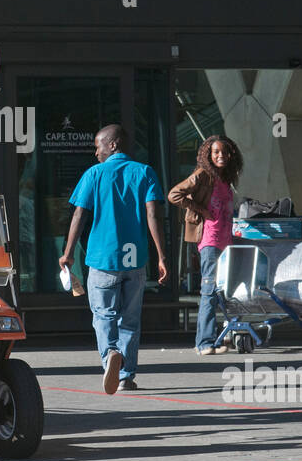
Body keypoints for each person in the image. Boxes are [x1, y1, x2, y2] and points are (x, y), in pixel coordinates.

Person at [59, 124, 168, 394]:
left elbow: (79, 215)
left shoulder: (94, 174)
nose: (96, 152)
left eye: (98, 145)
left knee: (103, 315)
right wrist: (162, 256)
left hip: (103, 259)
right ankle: (126, 376)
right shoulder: (145, 172)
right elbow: (153, 215)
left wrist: (68, 252)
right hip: (136, 260)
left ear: (114, 145)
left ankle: (110, 354)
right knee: (130, 319)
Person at [168, 134, 244, 356]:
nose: (221, 156)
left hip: (226, 241)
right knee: (209, 291)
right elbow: (174, 194)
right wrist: (201, 210)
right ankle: (204, 343)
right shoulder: (203, 175)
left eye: (224, 152)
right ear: (208, 155)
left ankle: (217, 337)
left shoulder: (225, 179)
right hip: (209, 241)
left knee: (223, 291)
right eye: (216, 152)